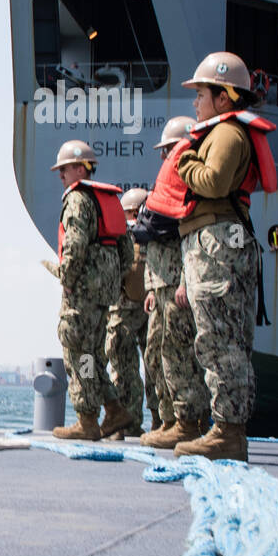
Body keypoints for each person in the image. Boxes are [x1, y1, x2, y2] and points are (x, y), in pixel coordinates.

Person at [142, 53, 277, 462]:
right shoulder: (221, 132)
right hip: (209, 242)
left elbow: (214, 182)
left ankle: (228, 433)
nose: (196, 103)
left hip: (217, 243)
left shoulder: (227, 135)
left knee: (221, 340)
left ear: (224, 97)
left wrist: (183, 159)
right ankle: (219, 428)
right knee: (214, 338)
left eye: (201, 95)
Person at [47, 140, 135, 442]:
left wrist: (68, 279)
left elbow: (74, 243)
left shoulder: (77, 200)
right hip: (105, 291)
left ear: (81, 167)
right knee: (94, 356)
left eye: (65, 169)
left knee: (76, 351)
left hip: (83, 289)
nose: (61, 175)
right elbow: (127, 250)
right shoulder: (106, 200)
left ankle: (86, 419)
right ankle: (113, 409)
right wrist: (112, 279)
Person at [133, 118, 210, 449]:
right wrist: (151, 287)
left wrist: (182, 282)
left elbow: (189, 242)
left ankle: (188, 422)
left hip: (177, 286)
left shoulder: (190, 191)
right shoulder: (171, 187)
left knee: (180, 354)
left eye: (169, 150)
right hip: (161, 286)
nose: (165, 157)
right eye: (165, 152)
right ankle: (170, 420)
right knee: (159, 353)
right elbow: (154, 245)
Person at [104, 188, 149, 439]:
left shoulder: (123, 234)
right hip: (149, 304)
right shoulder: (154, 235)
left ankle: (121, 425)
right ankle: (147, 422)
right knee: (153, 367)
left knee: (122, 367)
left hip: (122, 307)